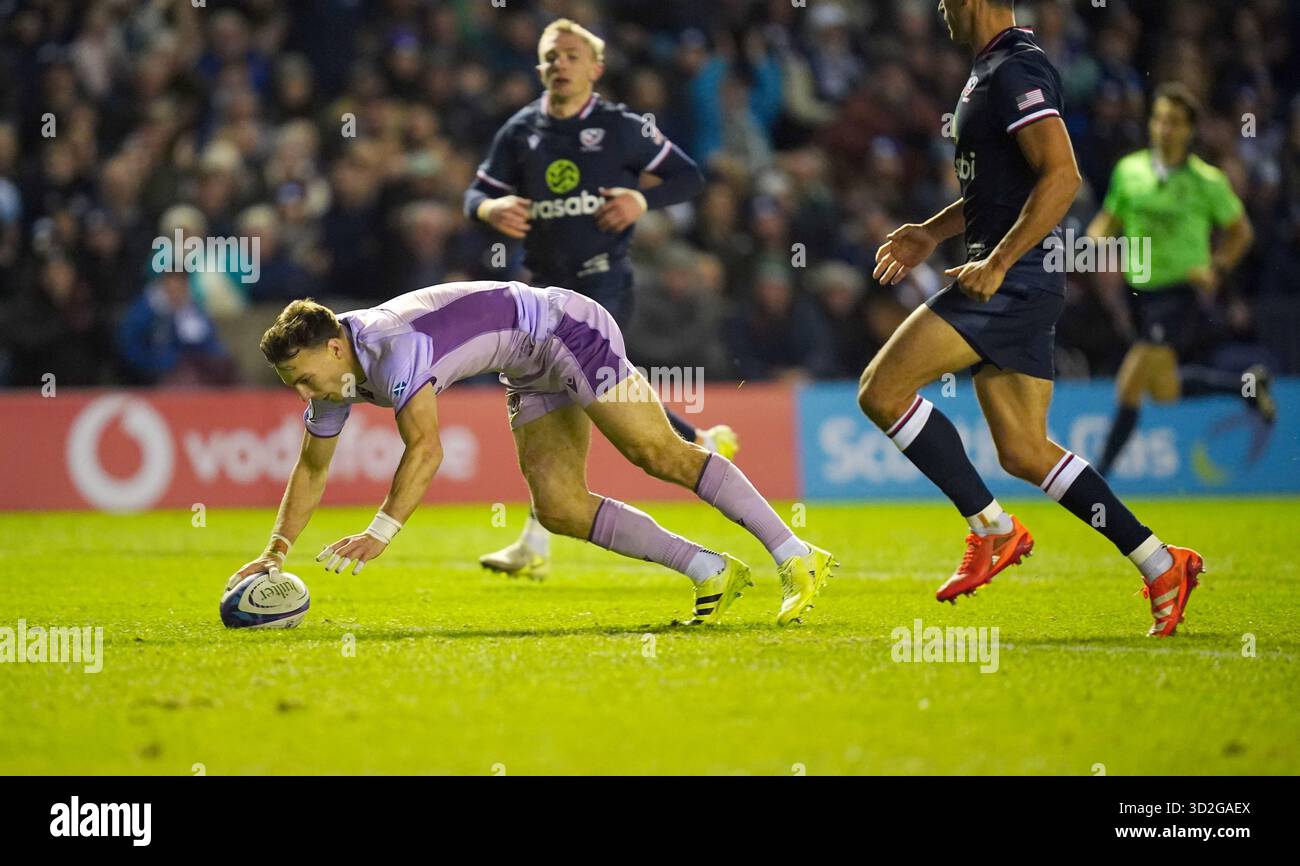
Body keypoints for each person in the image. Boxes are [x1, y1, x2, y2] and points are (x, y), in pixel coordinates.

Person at [859, 0, 1201, 637]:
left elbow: (1063, 177)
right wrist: (931, 234)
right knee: (1023, 450)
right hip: (1018, 280)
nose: (939, 8)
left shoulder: (1017, 68)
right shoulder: (989, 70)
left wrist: (996, 263)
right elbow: (998, 188)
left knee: (881, 389)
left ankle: (991, 527)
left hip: (1009, 282)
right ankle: (1161, 562)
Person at [227, 281, 836, 626]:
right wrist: (274, 552)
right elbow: (311, 467)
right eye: (294, 387)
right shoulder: (334, 378)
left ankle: (795, 554)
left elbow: (426, 450)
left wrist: (380, 531)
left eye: (305, 379)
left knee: (658, 453)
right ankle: (711, 570)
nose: (305, 395)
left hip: (564, 327)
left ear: (335, 349)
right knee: (560, 507)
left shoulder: (390, 347)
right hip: (527, 365)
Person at [464, 18, 739, 580]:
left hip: (601, 281)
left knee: (575, 390)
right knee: (574, 398)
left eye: (570, 55)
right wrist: (488, 209)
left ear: (595, 68)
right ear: (539, 67)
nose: (559, 64)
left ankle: (536, 539)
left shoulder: (621, 128)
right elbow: (476, 193)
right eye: (550, 57)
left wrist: (640, 198)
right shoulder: (520, 131)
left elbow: (688, 178)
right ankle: (696, 438)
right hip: (541, 290)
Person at [1087, 83, 1274, 477]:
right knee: (1165, 391)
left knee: (1132, 379)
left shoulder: (1207, 181)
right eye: (1158, 120)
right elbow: (1110, 218)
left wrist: (1218, 268)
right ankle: (1244, 387)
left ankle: (1096, 477)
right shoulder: (1129, 170)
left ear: (1189, 129)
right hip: (1138, 291)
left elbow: (1241, 232)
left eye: (1173, 122)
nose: (1164, 129)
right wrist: (1091, 242)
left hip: (1180, 289)